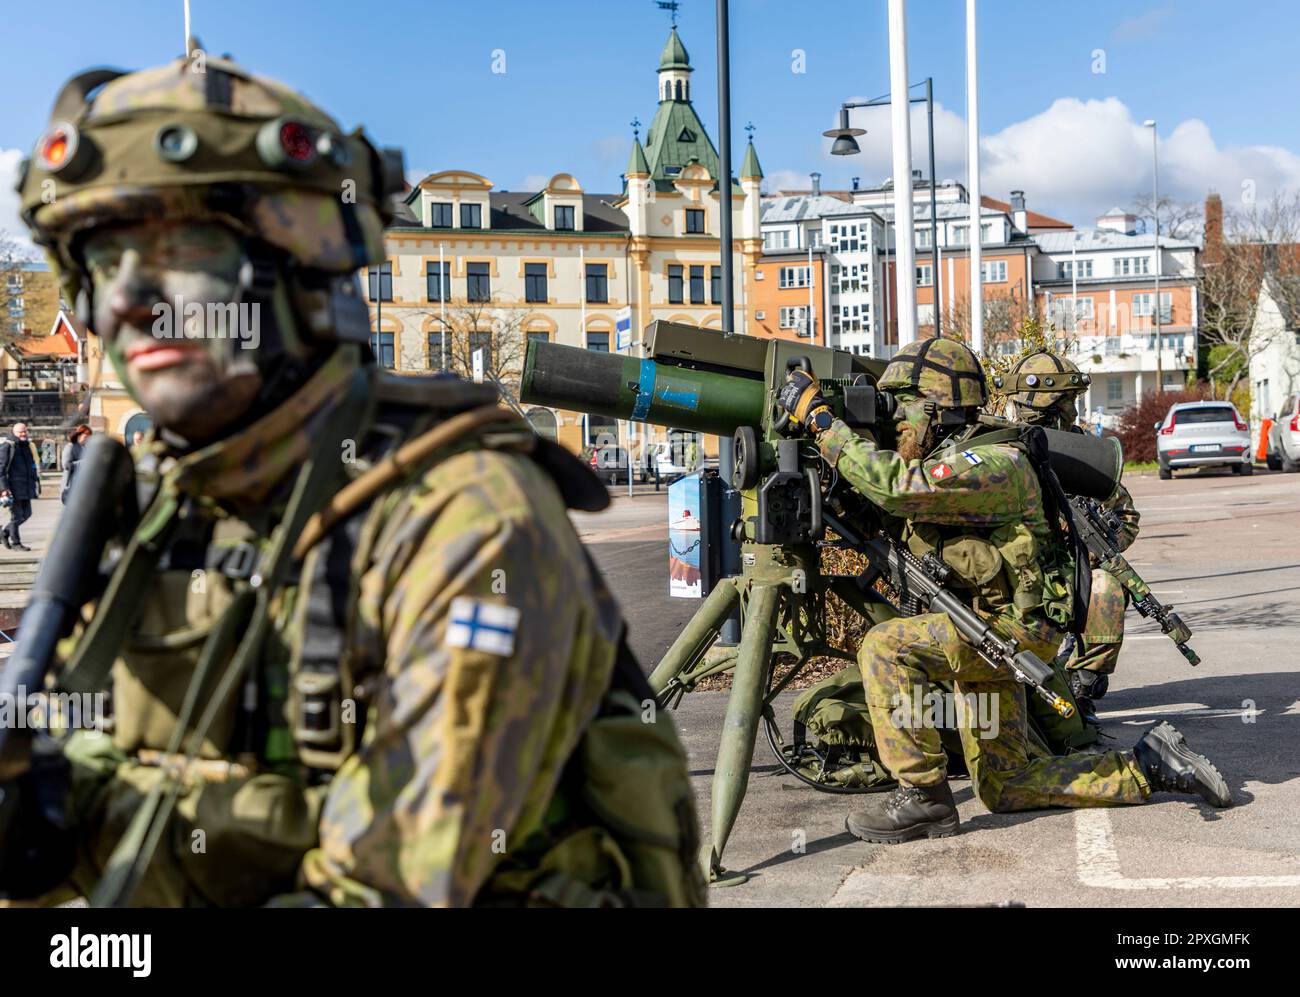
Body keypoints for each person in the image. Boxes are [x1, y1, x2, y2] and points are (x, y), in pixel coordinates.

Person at [1, 52, 704, 908]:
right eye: (106, 264)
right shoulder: (161, 504)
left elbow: (388, 886)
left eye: (181, 256)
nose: (132, 301)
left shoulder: (466, 515)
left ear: (295, 268)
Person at [777, 337, 1231, 845]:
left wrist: (821, 422)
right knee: (1004, 784)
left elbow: (899, 488)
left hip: (1007, 632)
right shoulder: (954, 457)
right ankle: (1152, 766)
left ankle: (923, 797)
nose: (894, 423)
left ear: (936, 409)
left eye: (901, 410)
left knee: (885, 648)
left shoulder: (994, 464)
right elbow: (894, 505)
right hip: (985, 630)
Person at [998, 349, 1136, 720]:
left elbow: (1126, 516)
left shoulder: (1082, 452)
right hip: (1006, 568)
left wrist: (1091, 550)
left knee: (1106, 586)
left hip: (1067, 568)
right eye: (1060, 405)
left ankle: (1080, 685)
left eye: (1071, 403)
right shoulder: (996, 444)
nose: (1069, 413)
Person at [0, 422, 40, 551]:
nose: (23, 434)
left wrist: (35, 481)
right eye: (20, 432)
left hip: (26, 487)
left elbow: (31, 466)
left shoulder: (26, 446)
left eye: (25, 431)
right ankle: (16, 543)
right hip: (13, 487)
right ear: (14, 432)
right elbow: (1, 470)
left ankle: (4, 533)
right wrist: (4, 489)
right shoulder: (7, 446)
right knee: (16, 516)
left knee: (27, 514)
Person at [60, 424, 92, 505]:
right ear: (79, 435)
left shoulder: (86, 447)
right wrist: (84, 462)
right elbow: (66, 465)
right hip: (72, 485)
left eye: (89, 437)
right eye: (86, 437)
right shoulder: (70, 447)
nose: (87, 439)